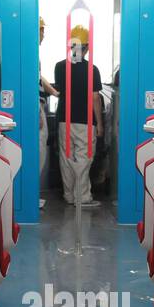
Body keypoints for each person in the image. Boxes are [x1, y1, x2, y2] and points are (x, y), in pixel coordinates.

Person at [53, 25, 102, 208]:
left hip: (64, 119)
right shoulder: (92, 69)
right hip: (85, 121)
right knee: (84, 157)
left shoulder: (59, 67)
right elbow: (95, 97)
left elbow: (61, 89)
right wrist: (101, 124)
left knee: (66, 157)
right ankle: (82, 198)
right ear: (87, 46)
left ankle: (69, 196)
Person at [38, 17, 59, 207]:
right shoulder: (29, 51)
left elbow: (38, 77)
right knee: (39, 151)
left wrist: (54, 92)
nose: (44, 35)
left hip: (40, 104)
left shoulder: (32, 52)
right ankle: (30, 196)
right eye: (42, 30)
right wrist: (37, 111)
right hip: (36, 105)